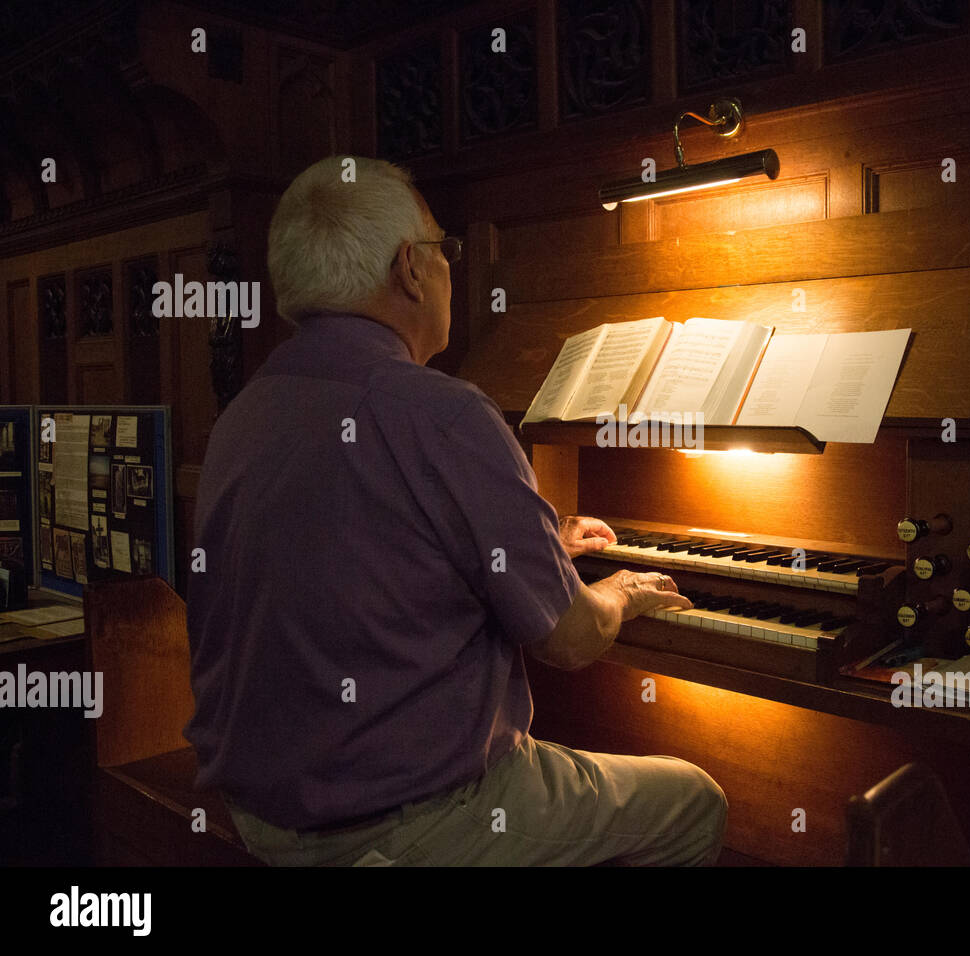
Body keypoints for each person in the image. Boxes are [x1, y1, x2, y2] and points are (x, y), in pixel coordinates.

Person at [183, 155, 727, 866]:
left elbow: (354, 547)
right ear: (410, 268)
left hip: (262, 812)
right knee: (695, 802)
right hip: (401, 823)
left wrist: (533, 541)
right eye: (445, 249)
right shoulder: (439, 411)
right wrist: (621, 593)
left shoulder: (248, 410)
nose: (449, 268)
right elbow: (569, 641)